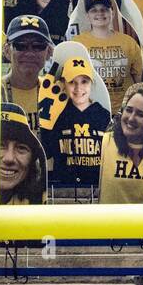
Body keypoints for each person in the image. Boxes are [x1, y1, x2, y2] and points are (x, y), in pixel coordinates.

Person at [41, 55, 110, 187]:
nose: (78, 88)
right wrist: (46, 122)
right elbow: (47, 152)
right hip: (64, 188)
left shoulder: (103, 115)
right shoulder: (58, 113)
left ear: (92, 83)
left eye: (84, 81)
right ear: (63, 83)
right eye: (72, 82)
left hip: (95, 188)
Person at [99, 82, 143, 203]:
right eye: (128, 110)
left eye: (141, 114)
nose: (131, 118)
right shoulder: (105, 142)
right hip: (108, 221)